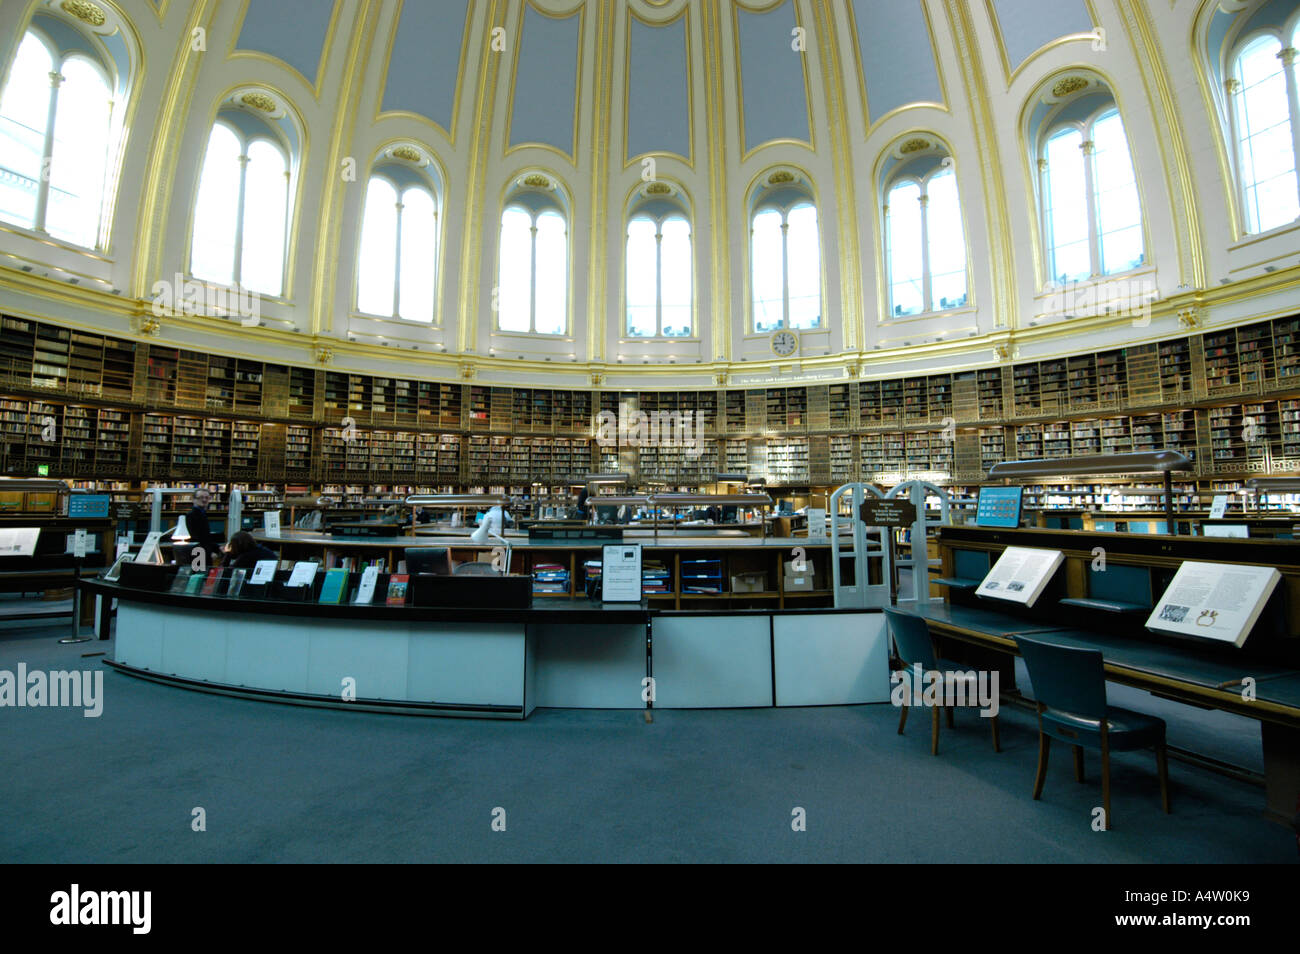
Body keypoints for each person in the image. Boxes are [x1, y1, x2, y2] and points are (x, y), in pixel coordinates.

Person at [186, 487, 223, 564]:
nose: (204, 500)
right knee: (200, 574)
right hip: (198, 553)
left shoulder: (202, 514)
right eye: (201, 497)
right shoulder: (192, 515)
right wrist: (209, 552)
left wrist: (217, 547)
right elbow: (196, 538)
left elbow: (205, 537)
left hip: (203, 551)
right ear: (194, 499)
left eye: (207, 498)